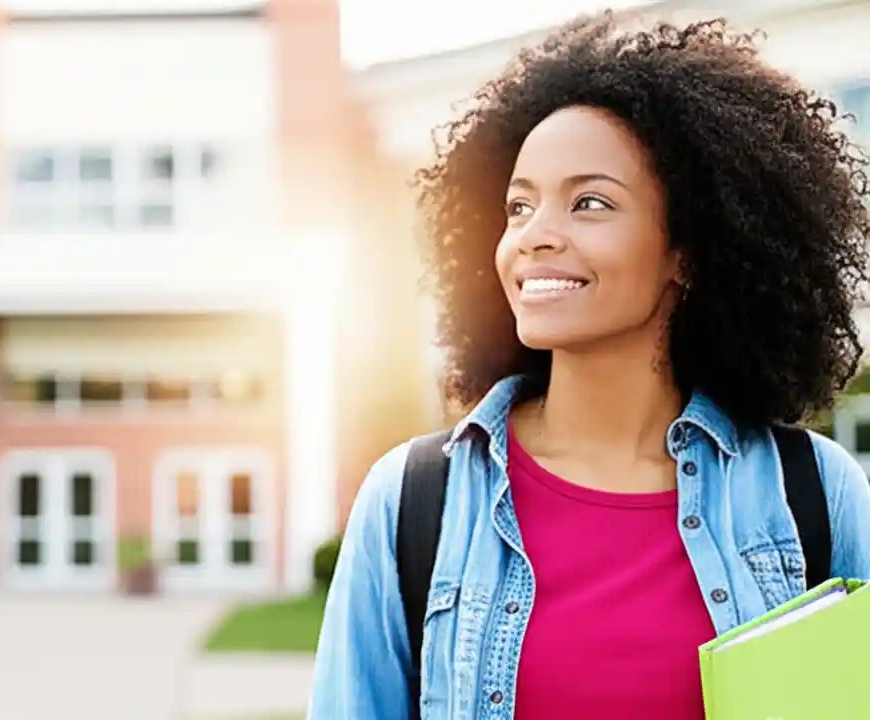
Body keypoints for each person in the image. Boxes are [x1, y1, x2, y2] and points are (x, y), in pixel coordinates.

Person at [308, 11, 870, 720]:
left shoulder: (813, 495)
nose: (535, 237)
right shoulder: (415, 502)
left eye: (590, 202)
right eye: (518, 206)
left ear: (689, 251)